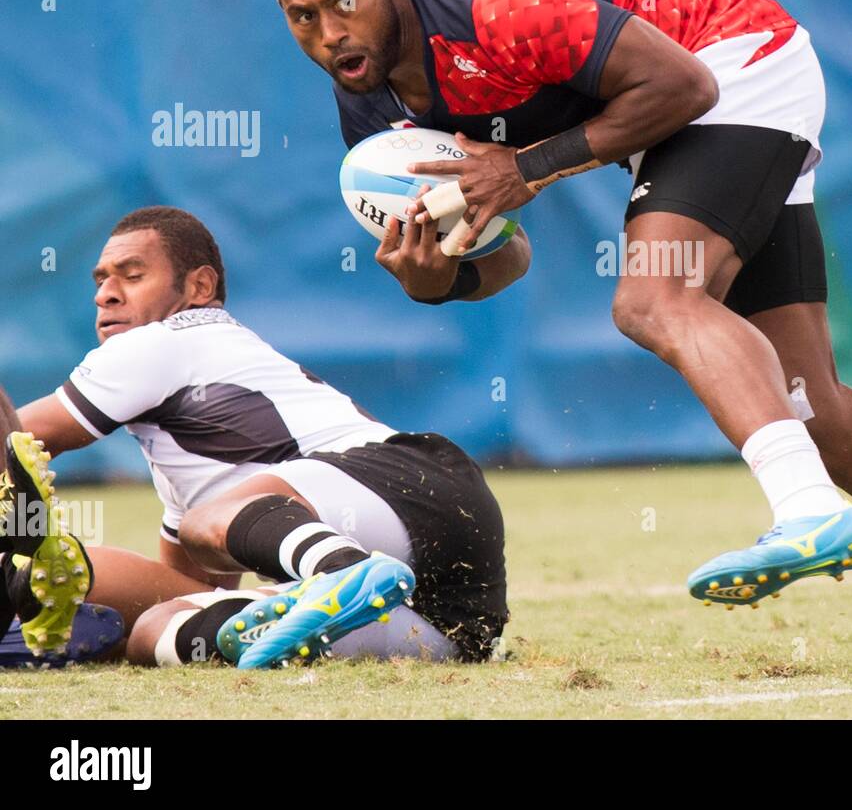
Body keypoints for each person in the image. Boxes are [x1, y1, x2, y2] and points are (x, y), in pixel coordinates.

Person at [265, 0, 852, 664]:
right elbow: (508, 257)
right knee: (813, 410)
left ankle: (808, 512)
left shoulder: (499, 4)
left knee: (653, 297)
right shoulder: (373, 110)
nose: (328, 33)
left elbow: (683, 85)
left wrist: (524, 167)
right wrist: (438, 279)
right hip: (693, 115)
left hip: (736, 61)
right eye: (300, 18)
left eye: (341, 2)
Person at [8, 206, 518, 667]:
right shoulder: (194, 456)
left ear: (199, 289)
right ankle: (342, 585)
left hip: (409, 482)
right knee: (154, 632)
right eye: (99, 281)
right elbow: (198, 587)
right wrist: (49, 593)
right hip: (447, 627)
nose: (106, 293)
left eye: (131, 275)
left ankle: (343, 571)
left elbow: (16, 441)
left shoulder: (159, 341)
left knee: (206, 523)